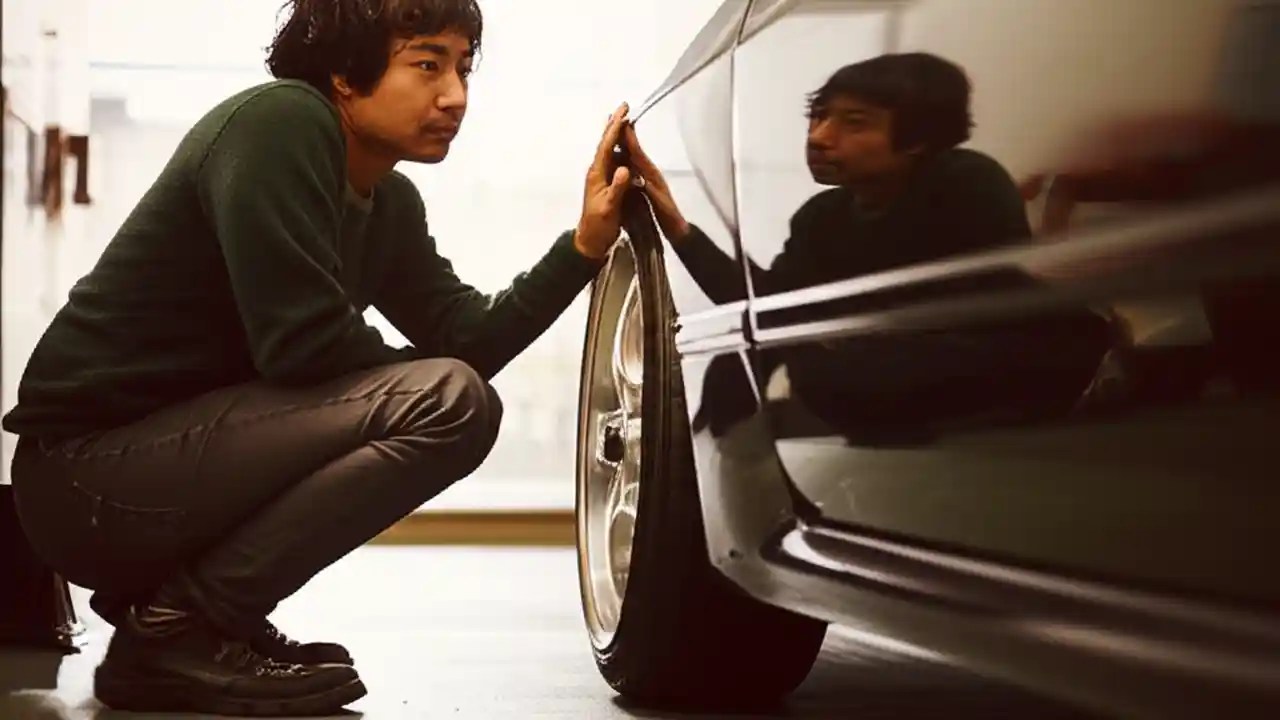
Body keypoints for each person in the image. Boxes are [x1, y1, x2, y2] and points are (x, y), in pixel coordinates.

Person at [1, 0, 633, 716]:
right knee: (447, 399)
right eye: (427, 64)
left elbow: (465, 341)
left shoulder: (387, 203)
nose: (455, 95)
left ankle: (194, 619)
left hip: (163, 471)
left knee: (451, 394)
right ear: (341, 73)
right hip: (81, 477)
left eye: (462, 68)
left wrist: (584, 246)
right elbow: (303, 344)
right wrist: (412, 381)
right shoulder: (280, 123)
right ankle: (182, 627)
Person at [625, 53, 1113, 439]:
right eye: (818, 117)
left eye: (854, 123)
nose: (819, 137)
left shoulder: (969, 184)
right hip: (900, 380)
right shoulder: (822, 218)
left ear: (917, 140)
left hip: (1008, 371)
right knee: (738, 360)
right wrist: (675, 222)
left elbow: (979, 315)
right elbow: (765, 309)